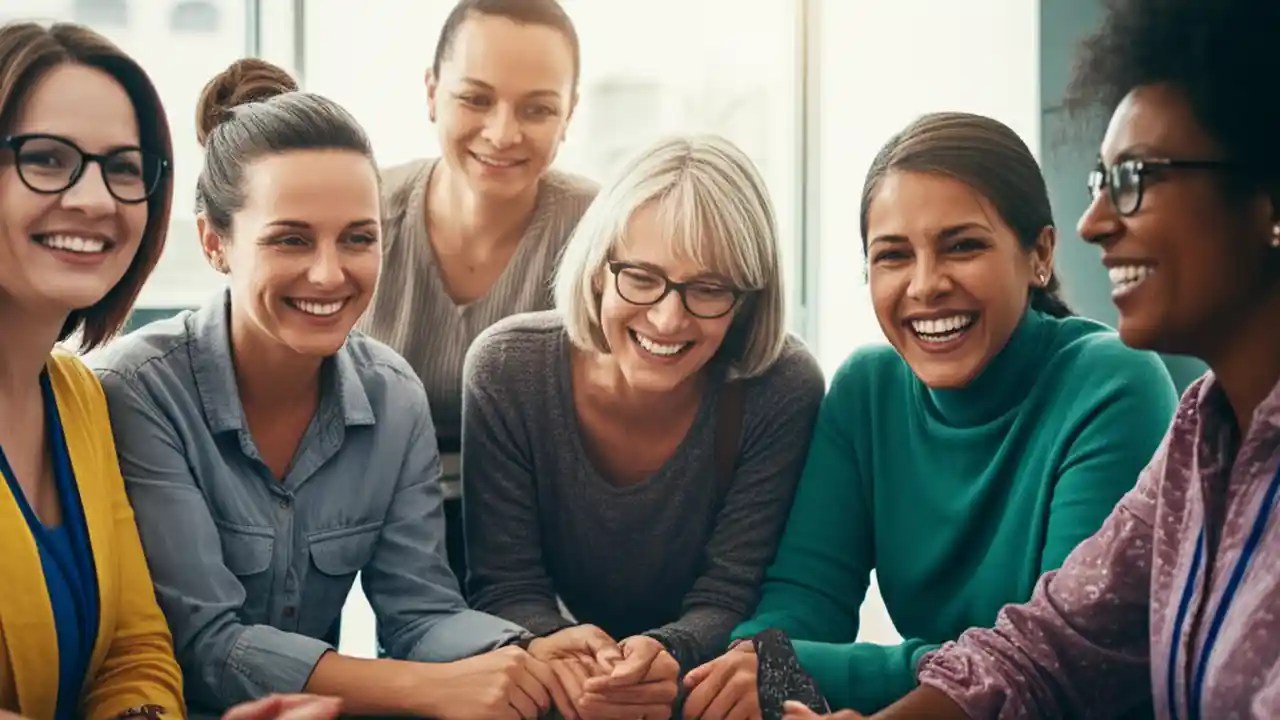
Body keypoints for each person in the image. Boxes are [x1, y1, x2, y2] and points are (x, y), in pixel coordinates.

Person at [91, 58, 588, 720]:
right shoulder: (137, 391)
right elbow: (205, 644)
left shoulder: (393, 397)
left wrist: (524, 653)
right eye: (291, 240)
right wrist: (433, 691)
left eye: (358, 239)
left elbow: (420, 612)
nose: (329, 275)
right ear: (215, 243)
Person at [828, 0, 1280, 717]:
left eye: (1134, 178)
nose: (1094, 222)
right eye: (1101, 184)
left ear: (1266, 199)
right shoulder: (1200, 435)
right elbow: (1045, 651)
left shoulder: (1115, 385)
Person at [682, 112, 1181, 719]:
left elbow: (1060, 662)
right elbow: (803, 602)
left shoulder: (1112, 383)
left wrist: (810, 667)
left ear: (1040, 255)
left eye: (963, 246)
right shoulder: (867, 390)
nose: (925, 285)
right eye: (893, 255)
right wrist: (750, 665)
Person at [462, 133, 826, 719]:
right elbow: (506, 586)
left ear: (747, 302)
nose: (667, 317)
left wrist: (665, 651)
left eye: (708, 289)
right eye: (640, 276)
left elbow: (732, 591)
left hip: (703, 682)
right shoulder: (508, 370)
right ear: (600, 270)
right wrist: (560, 653)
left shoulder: (781, 386)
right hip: (557, 683)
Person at [357, 0, 597, 582]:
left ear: (568, 115)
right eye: (476, 98)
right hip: (370, 506)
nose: (503, 133)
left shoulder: (601, 230)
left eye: (538, 108)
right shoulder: (362, 217)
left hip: (541, 522)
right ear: (432, 91)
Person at [0, 20, 184, 720]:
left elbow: (134, 650)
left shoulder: (79, 395)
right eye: (46, 158)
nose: (96, 199)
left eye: (125, 167)